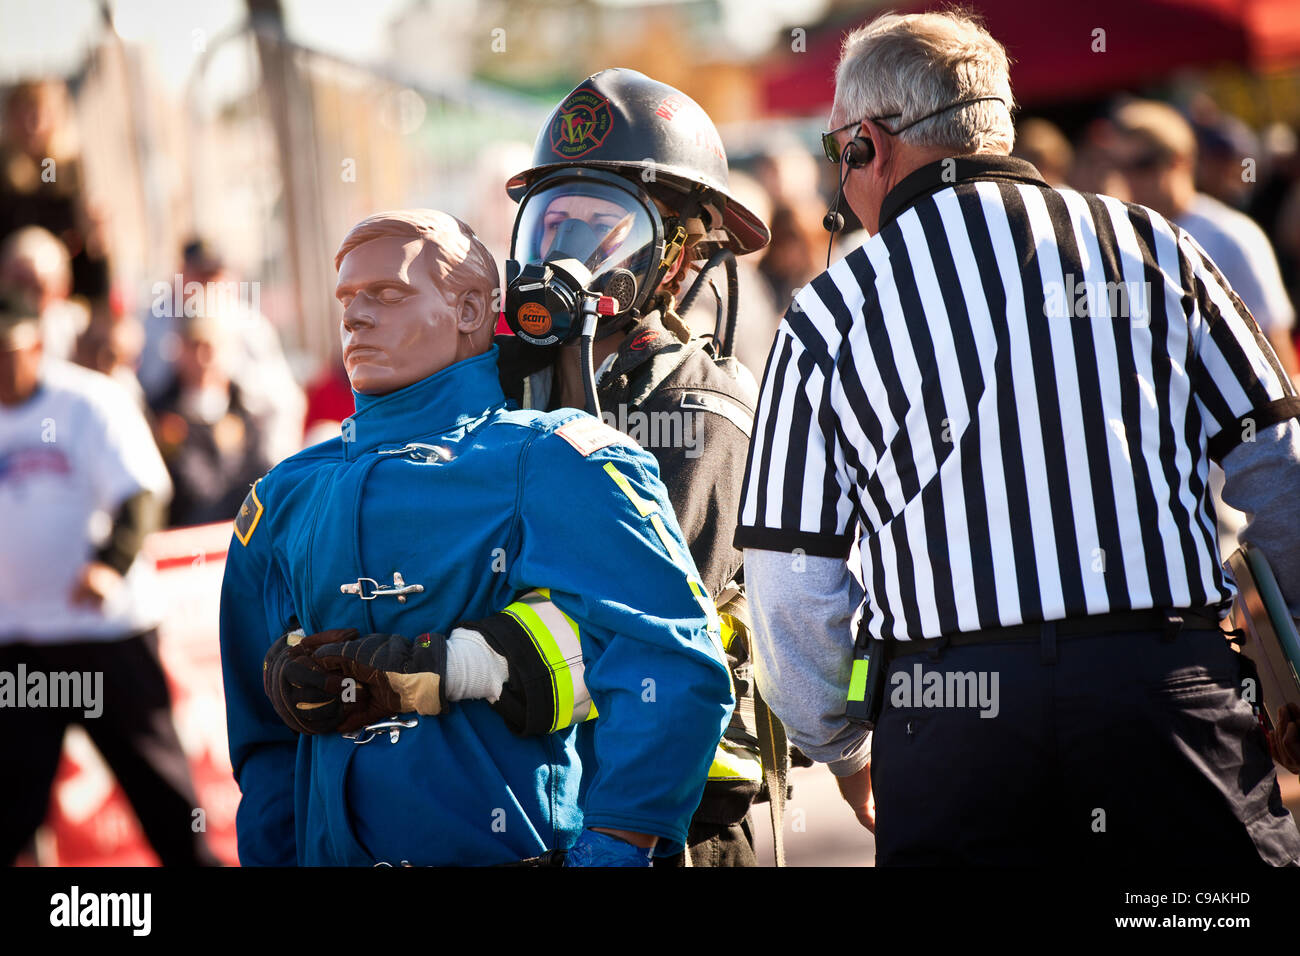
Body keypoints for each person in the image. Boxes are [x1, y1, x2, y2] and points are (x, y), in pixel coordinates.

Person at [736, 9, 1300, 866]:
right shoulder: (1154, 249)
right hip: (1165, 697)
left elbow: (793, 586)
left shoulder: (829, 311)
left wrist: (842, 741)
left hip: (951, 722)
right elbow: (1280, 470)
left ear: (867, 148)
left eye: (835, 153)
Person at [298, 70, 779, 866]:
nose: (568, 253)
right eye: (555, 224)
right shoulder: (503, 385)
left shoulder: (703, 410)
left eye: (603, 226)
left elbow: (636, 627)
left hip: (672, 820)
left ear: (678, 255)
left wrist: (425, 668)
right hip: (535, 807)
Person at [218, 209, 732, 866]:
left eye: (388, 294)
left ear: (468, 311)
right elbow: (263, 742)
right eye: (347, 297)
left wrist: (615, 848)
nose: (355, 316)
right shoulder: (281, 499)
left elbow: (671, 661)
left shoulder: (555, 460)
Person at [0, 285, 217, 866]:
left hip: (104, 637)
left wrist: (109, 566)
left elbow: (142, 492)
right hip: (21, 642)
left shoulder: (87, 402)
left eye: (7, 351)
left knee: (166, 803)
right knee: (12, 809)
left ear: (37, 345)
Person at [1111, 99, 1300, 381]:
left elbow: (1275, 347)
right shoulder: (1119, 236)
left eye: (1142, 164)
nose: (1128, 178)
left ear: (1180, 161)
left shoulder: (1231, 234)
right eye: (1119, 165)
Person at [150, 310, 276, 527]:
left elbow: (263, 477)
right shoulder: (160, 417)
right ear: (179, 350)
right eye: (194, 346)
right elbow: (190, 491)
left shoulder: (245, 411)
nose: (202, 359)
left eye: (210, 347)